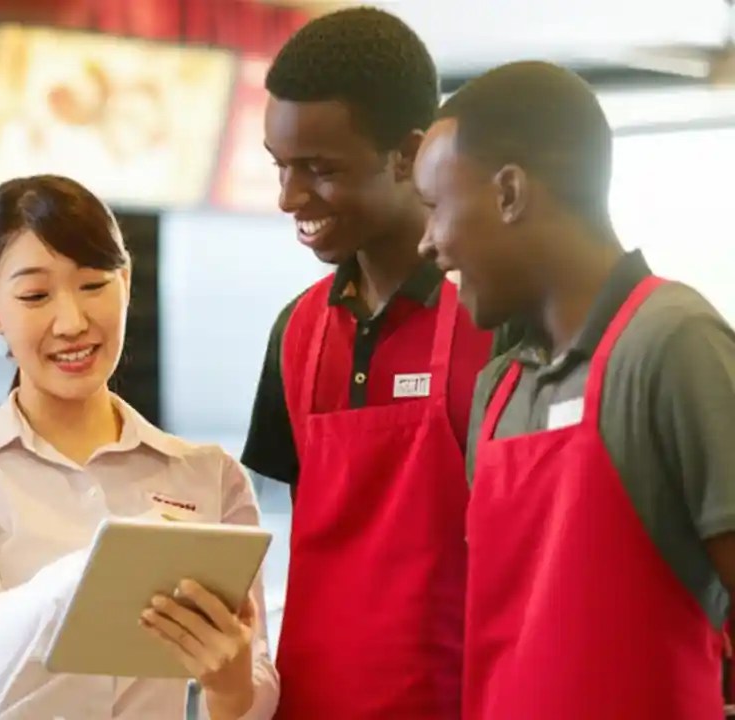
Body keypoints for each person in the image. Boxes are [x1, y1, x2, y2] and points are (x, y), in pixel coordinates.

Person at [415, 60, 735, 719]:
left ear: (509, 193)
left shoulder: (672, 343)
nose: (428, 243)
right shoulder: (498, 391)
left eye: (436, 207)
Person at [0, 174, 279, 719]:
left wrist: (230, 681)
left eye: (94, 285)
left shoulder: (208, 476)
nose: (72, 322)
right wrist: (103, 566)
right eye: (35, 295)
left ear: (126, 283)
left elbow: (257, 685)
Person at [242, 7, 496, 717]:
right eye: (280, 167)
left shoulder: (495, 329)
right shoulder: (294, 332)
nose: (289, 198)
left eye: (319, 170)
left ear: (409, 155)